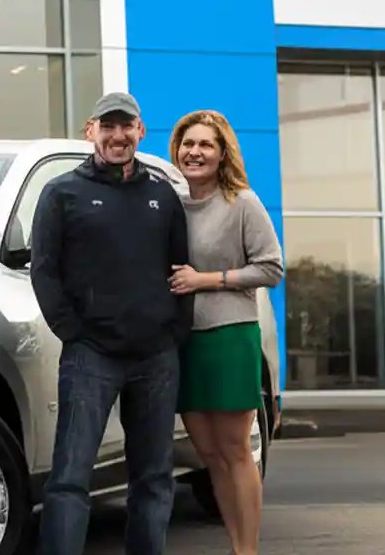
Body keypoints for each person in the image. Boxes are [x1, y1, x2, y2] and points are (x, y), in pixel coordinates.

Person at [29, 91, 194, 555]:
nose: (118, 136)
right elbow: (44, 269)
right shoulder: (62, 193)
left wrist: (175, 332)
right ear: (91, 131)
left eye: (127, 126)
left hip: (156, 356)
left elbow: (180, 267)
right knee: (69, 478)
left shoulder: (162, 194)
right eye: (108, 126)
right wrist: (73, 332)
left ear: (140, 131)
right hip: (91, 357)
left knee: (154, 477)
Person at [166, 109, 284, 555]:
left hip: (231, 337)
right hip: (185, 341)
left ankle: (246, 550)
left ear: (222, 153)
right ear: (176, 149)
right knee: (209, 455)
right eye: (187, 143)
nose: (194, 152)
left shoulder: (242, 202)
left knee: (235, 452)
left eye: (205, 145)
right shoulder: (170, 203)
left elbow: (271, 268)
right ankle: (235, 544)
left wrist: (207, 279)